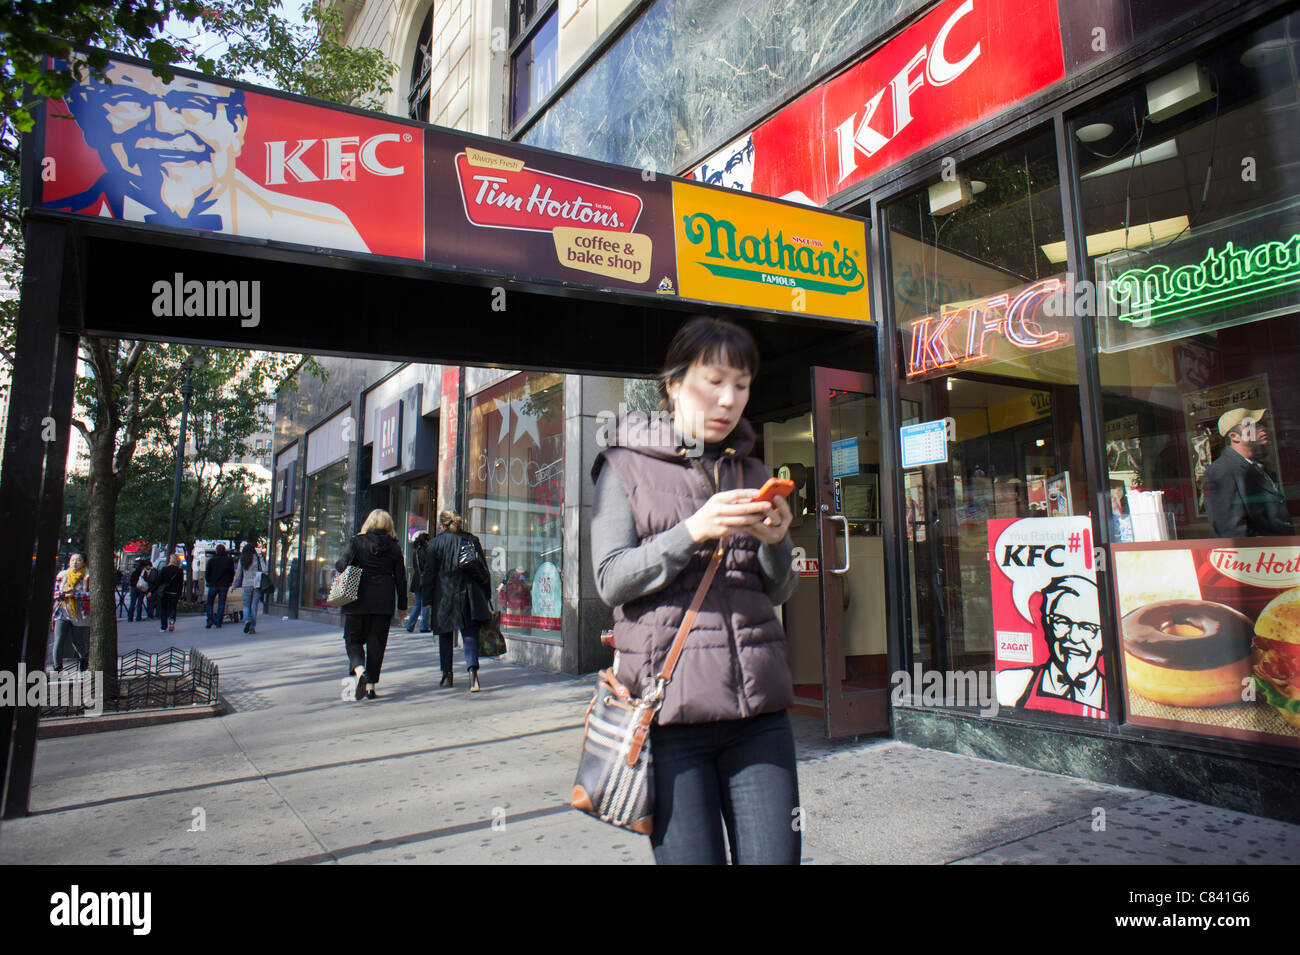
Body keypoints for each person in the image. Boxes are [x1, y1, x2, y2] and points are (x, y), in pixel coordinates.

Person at [590, 315, 799, 865]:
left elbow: (778, 590)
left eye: (742, 384)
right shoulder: (623, 467)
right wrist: (692, 531)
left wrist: (777, 540)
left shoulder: (751, 468)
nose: (729, 399)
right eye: (714, 380)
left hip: (760, 715)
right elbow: (610, 578)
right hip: (670, 718)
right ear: (674, 383)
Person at [51, 61, 368, 251]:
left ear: (237, 127)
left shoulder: (331, 229)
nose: (164, 125)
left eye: (193, 104)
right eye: (128, 100)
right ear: (88, 123)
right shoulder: (59, 220)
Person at [995, 575, 1106, 716]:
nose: (1074, 637)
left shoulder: (1119, 695)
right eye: (1062, 622)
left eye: (1088, 627)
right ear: (1048, 627)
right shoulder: (1013, 682)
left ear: (1103, 638)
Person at [335, 509, 407, 700]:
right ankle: (371, 687)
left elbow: (341, 564)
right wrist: (402, 605)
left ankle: (359, 670)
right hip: (384, 599)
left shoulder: (357, 541)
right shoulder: (394, 547)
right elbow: (401, 577)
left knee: (353, 639)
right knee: (377, 644)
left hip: (357, 597)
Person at [423, 510, 492, 691]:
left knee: (445, 635)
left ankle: (447, 675)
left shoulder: (435, 544)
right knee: (469, 634)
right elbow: (483, 571)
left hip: (444, 595)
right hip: (468, 593)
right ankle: (472, 674)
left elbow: (429, 574)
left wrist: (427, 599)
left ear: (442, 524)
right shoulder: (471, 540)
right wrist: (486, 595)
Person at [1203, 407, 1294, 538]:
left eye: (1260, 424)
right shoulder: (1222, 470)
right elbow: (1231, 530)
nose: (1262, 428)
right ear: (1234, 436)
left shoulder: (1259, 467)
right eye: (1252, 425)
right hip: (1260, 555)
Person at [52, 554, 91, 670]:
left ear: (84, 562)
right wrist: (63, 593)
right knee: (58, 641)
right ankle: (57, 668)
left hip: (80, 614)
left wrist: (73, 594)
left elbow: (90, 594)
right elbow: (55, 593)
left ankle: (84, 662)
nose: (75, 562)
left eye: (78, 560)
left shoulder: (88, 576)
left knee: (78, 643)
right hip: (62, 612)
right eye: (72, 560)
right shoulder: (62, 575)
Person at [234, 542, 267, 635]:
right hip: (256, 584)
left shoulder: (242, 559)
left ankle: (247, 620)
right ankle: (252, 627)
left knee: (246, 605)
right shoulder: (257, 558)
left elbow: (238, 574)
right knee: (254, 605)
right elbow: (265, 570)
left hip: (246, 584)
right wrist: (260, 557)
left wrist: (234, 585)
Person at [405, 532, 432, 633]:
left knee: (417, 603)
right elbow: (427, 566)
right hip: (424, 579)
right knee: (425, 602)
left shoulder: (415, 551)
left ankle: (410, 625)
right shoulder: (425, 551)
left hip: (416, 579)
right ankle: (424, 626)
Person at [150, 554, 185, 633]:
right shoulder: (179, 571)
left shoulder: (164, 569)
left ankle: (163, 627)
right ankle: (172, 619)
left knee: (164, 609)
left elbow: (158, 581)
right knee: (173, 608)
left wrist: (151, 591)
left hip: (165, 592)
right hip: (174, 592)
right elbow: (181, 584)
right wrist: (179, 594)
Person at [204, 544, 236, 629]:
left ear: (216, 551)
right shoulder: (229, 561)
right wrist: (230, 582)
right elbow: (232, 572)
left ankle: (210, 619)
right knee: (221, 603)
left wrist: (208, 581)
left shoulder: (211, 560)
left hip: (213, 584)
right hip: (224, 585)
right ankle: (218, 621)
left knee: (209, 603)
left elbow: (207, 572)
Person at [127, 557, 151, 622]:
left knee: (132, 603)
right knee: (139, 603)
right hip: (141, 588)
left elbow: (131, 580)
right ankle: (138, 617)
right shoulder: (144, 572)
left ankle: (130, 617)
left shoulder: (134, 572)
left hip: (134, 587)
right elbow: (146, 580)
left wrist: (131, 586)